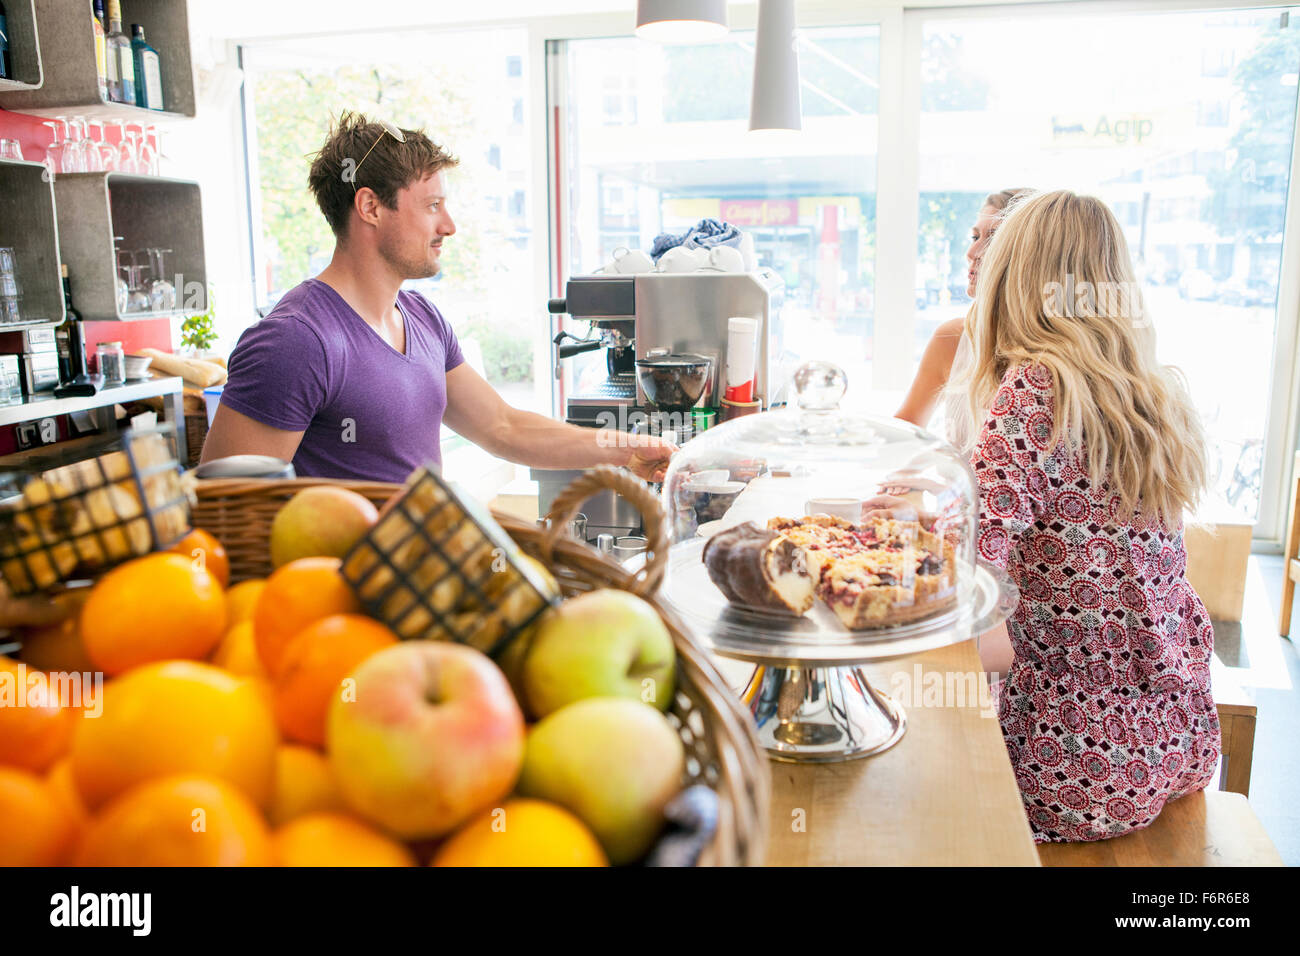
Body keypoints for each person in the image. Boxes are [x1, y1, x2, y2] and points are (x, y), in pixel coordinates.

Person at [201, 113, 674, 483]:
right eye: (432, 206)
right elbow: (229, 508)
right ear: (370, 207)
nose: (449, 225)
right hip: (337, 602)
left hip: (419, 589)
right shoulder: (296, 341)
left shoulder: (421, 317)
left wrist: (626, 447)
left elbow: (502, 427)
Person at [965, 189, 1219, 843]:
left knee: (895, 772)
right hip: (1176, 742)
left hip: (1070, 768)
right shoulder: (1156, 391)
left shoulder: (1036, 388)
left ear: (1014, 275)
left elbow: (971, 584)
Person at [895, 188, 1034, 452]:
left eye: (993, 239)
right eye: (974, 236)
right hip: (958, 493)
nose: (972, 252)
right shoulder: (953, 339)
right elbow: (904, 435)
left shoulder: (1052, 357)